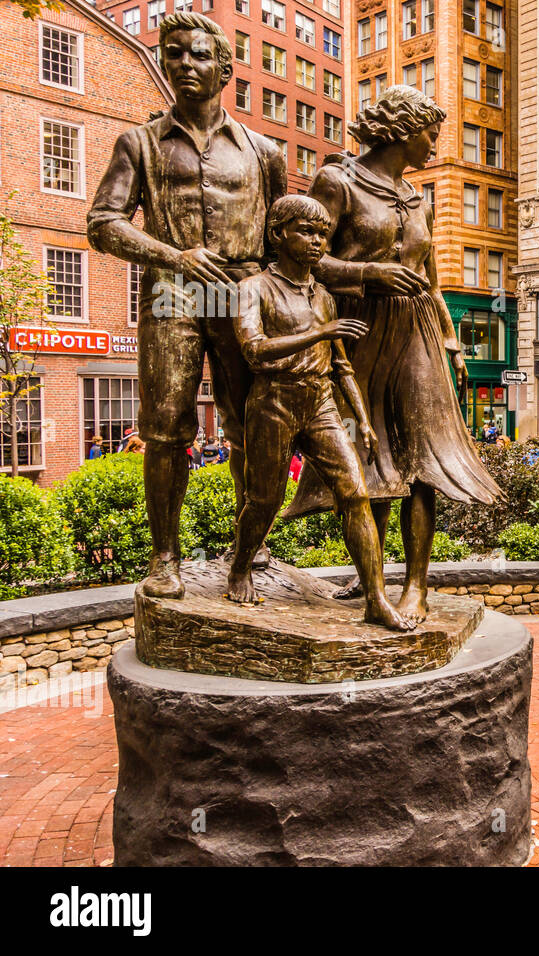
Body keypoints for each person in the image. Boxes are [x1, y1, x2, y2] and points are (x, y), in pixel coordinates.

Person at [88, 12, 289, 599]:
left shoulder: (263, 150)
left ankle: (250, 547)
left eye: (198, 56)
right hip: (171, 293)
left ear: (225, 69)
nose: (183, 65)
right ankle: (164, 556)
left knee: (251, 426)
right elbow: (102, 223)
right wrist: (174, 256)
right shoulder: (140, 142)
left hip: (244, 294)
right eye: (173, 54)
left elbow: (282, 236)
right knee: (166, 429)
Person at [284, 85, 501, 623]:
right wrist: (367, 273)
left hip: (417, 331)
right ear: (403, 130)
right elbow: (305, 261)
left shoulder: (417, 196)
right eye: (430, 134)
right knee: (370, 454)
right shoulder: (337, 182)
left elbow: (429, 279)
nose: (434, 144)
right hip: (358, 330)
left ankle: (418, 585)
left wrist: (451, 340)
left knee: (421, 455)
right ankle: (371, 579)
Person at [228, 194, 411, 631]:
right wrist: (320, 331)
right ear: (278, 235)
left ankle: (376, 599)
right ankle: (239, 565)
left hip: (320, 402)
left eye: (322, 233)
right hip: (272, 401)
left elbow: (342, 365)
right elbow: (254, 350)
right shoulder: (253, 288)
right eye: (305, 231)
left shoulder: (324, 296)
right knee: (264, 500)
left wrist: (363, 420)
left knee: (355, 493)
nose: (316, 241)